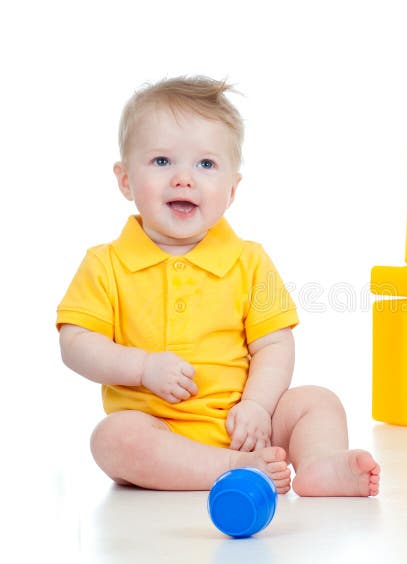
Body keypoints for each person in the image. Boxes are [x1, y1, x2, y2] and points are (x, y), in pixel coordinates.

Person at [57, 76, 380, 496]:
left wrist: (258, 407)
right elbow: (76, 342)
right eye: (161, 162)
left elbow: (274, 345)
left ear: (232, 189)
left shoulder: (249, 261)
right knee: (112, 438)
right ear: (124, 180)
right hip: (161, 431)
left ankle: (320, 467)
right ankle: (232, 468)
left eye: (205, 164)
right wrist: (141, 368)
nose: (184, 179)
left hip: (245, 424)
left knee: (319, 402)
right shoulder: (106, 264)